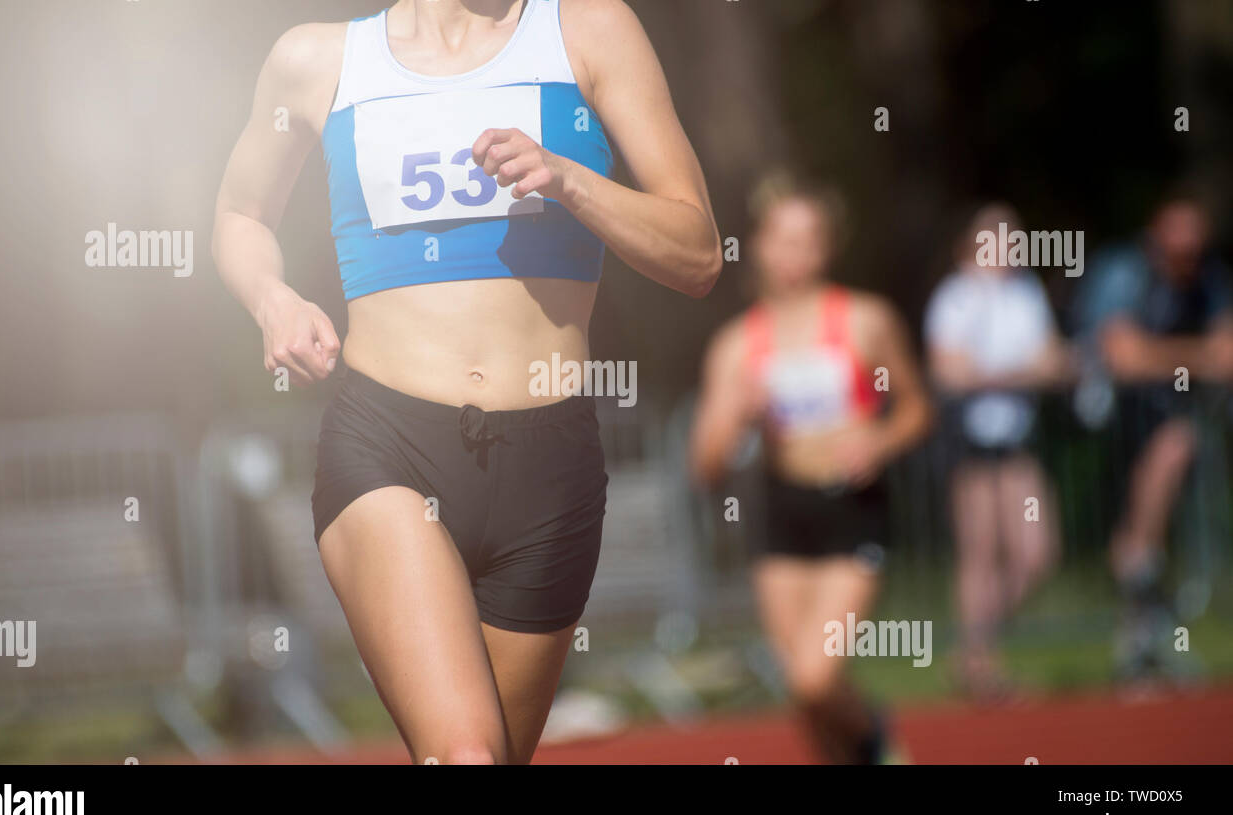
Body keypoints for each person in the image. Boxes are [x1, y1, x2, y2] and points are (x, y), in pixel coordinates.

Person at [212, 0, 721, 764]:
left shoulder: (587, 29)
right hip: (388, 446)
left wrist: (569, 180)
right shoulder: (318, 60)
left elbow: (699, 253)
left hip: (550, 466)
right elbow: (239, 213)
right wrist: (272, 301)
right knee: (465, 756)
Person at [688, 172, 931, 764]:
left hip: (852, 509)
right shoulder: (736, 347)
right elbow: (706, 464)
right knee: (803, 695)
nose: (796, 253)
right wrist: (736, 417)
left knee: (814, 678)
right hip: (781, 513)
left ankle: (876, 741)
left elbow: (918, 409)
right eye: (784, 239)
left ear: (827, 247)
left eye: (809, 239)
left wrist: (879, 440)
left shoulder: (865, 320)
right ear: (762, 246)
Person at [1075, 192, 1233, 679]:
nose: (1187, 260)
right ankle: (1142, 628)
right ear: (1154, 240)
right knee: (1165, 464)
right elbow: (1123, 356)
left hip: (1167, 415)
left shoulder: (1210, 279)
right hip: (1109, 419)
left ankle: (1143, 642)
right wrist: (1196, 355)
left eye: (1195, 250)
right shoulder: (1124, 274)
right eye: (1177, 249)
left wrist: (1161, 355)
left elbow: (1226, 353)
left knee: (1152, 527)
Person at [924, 202, 1073, 698]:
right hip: (970, 446)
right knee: (980, 554)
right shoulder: (955, 297)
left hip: (1017, 442)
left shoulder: (1026, 294)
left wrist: (997, 376)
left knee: (1036, 553)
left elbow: (1052, 361)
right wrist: (1017, 372)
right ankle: (980, 668)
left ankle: (972, 649)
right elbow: (950, 370)